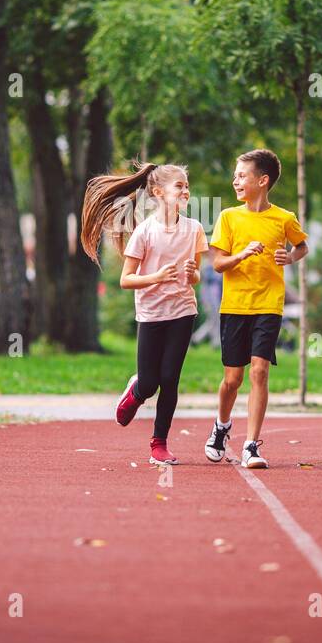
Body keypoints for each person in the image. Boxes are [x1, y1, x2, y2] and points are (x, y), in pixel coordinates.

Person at [80, 162, 207, 466]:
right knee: (151, 382)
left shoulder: (195, 229)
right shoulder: (144, 232)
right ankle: (136, 391)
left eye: (187, 185)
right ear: (158, 192)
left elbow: (197, 275)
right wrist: (156, 277)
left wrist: (192, 274)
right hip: (151, 314)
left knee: (170, 379)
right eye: (179, 186)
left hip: (182, 311)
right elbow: (126, 279)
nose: (186, 190)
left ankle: (158, 443)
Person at [205, 149, 309, 468]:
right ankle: (222, 427)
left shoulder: (284, 218)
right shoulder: (228, 218)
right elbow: (218, 263)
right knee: (233, 379)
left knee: (260, 371)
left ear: (262, 181)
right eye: (235, 175)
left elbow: (302, 246)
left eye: (241, 175)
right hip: (235, 306)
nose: (235, 180)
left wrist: (290, 258)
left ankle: (251, 445)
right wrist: (242, 255)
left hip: (269, 304)